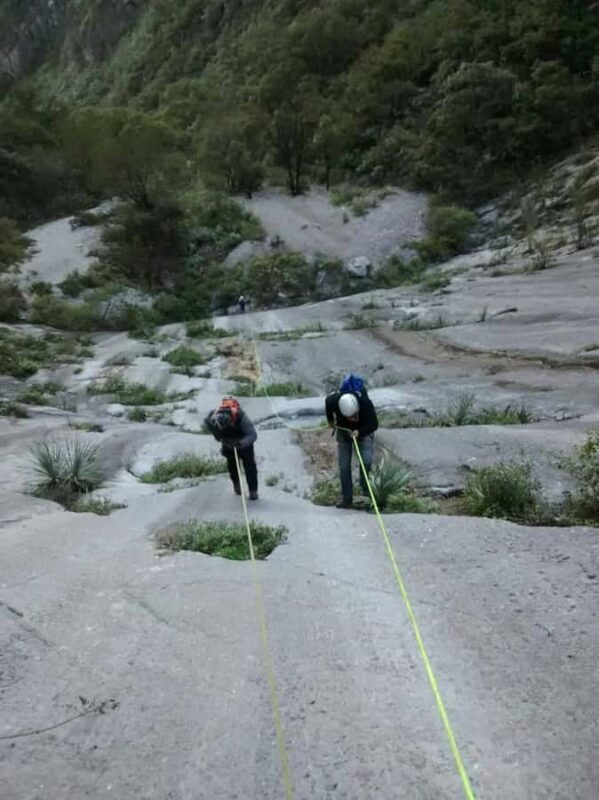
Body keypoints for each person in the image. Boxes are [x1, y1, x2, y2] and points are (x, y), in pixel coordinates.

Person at [325, 374, 378, 509]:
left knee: (366, 460)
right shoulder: (335, 400)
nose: (352, 419)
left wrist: (359, 431)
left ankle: (367, 495)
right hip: (344, 432)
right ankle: (347, 498)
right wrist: (330, 420)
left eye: (354, 416)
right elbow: (327, 401)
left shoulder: (365, 404)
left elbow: (374, 424)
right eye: (349, 417)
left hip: (364, 431)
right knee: (344, 465)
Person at [205, 397, 259, 500]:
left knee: (250, 466)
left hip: (244, 440)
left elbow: (253, 435)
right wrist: (220, 438)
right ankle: (237, 484)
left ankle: (253, 491)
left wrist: (241, 443)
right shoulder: (212, 418)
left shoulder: (241, 417)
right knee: (232, 465)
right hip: (227, 441)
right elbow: (209, 424)